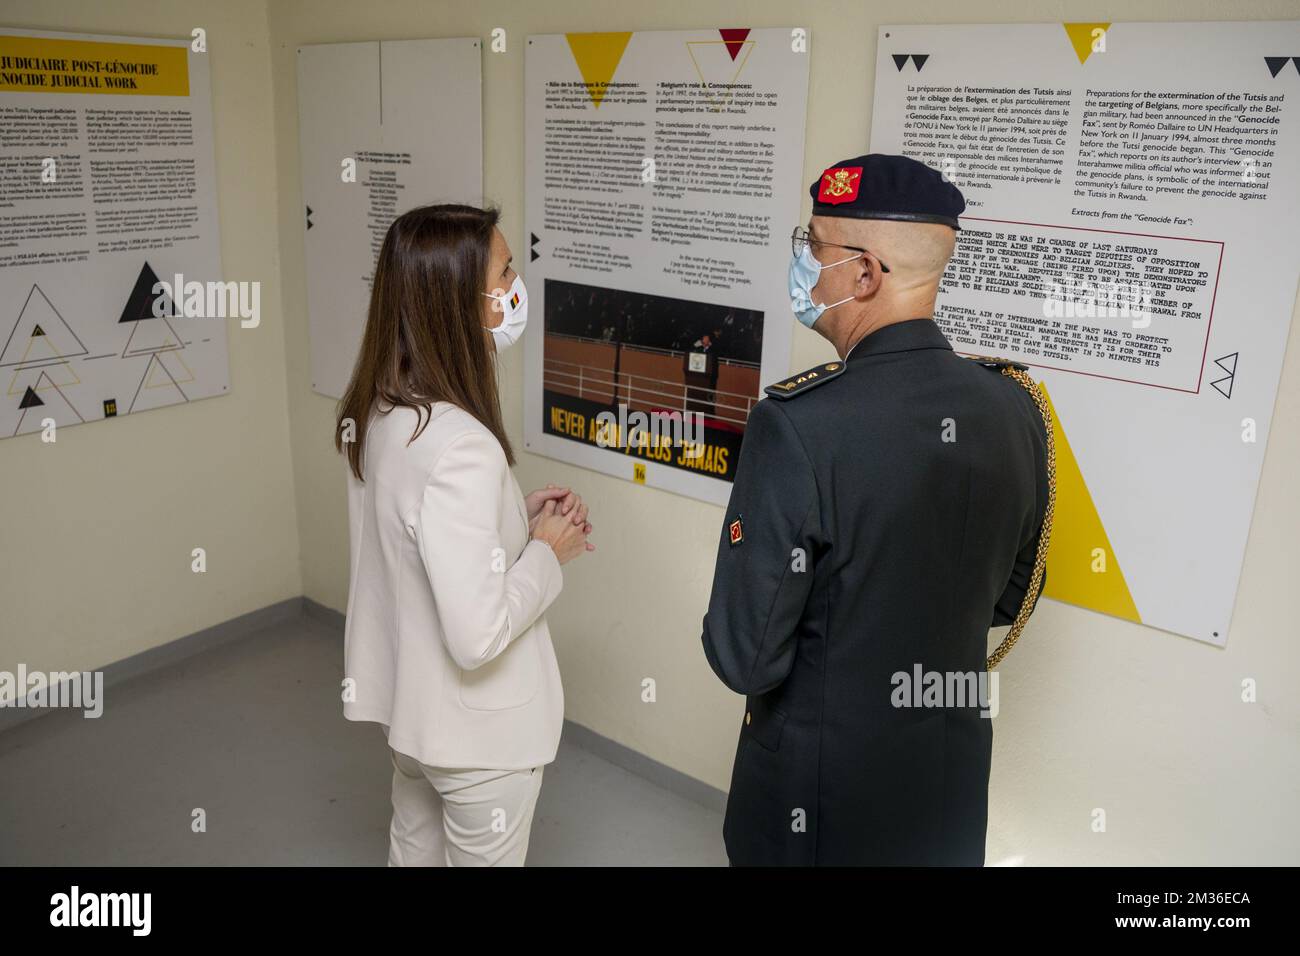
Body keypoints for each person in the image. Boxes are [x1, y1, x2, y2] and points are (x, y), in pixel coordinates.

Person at [700, 154, 1054, 865]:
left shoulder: (799, 425)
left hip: (819, 805)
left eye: (814, 245)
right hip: (946, 791)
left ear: (863, 274)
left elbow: (745, 655)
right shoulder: (1016, 405)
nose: (804, 261)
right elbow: (1014, 595)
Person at [335, 203, 594, 866]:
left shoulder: (380, 410)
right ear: (456, 304)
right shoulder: (463, 446)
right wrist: (547, 550)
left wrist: (513, 514)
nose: (516, 287)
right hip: (479, 746)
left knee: (412, 854)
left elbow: (411, 539)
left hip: (413, 723)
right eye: (505, 272)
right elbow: (477, 637)